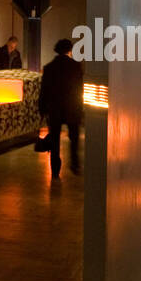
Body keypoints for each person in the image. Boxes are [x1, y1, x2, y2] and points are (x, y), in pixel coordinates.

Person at [36, 38, 83, 179]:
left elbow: (44, 90)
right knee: (74, 137)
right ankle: (75, 163)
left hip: (55, 109)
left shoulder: (49, 67)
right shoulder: (76, 66)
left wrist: (42, 108)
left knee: (54, 140)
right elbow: (79, 89)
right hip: (72, 107)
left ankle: (55, 170)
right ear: (69, 50)